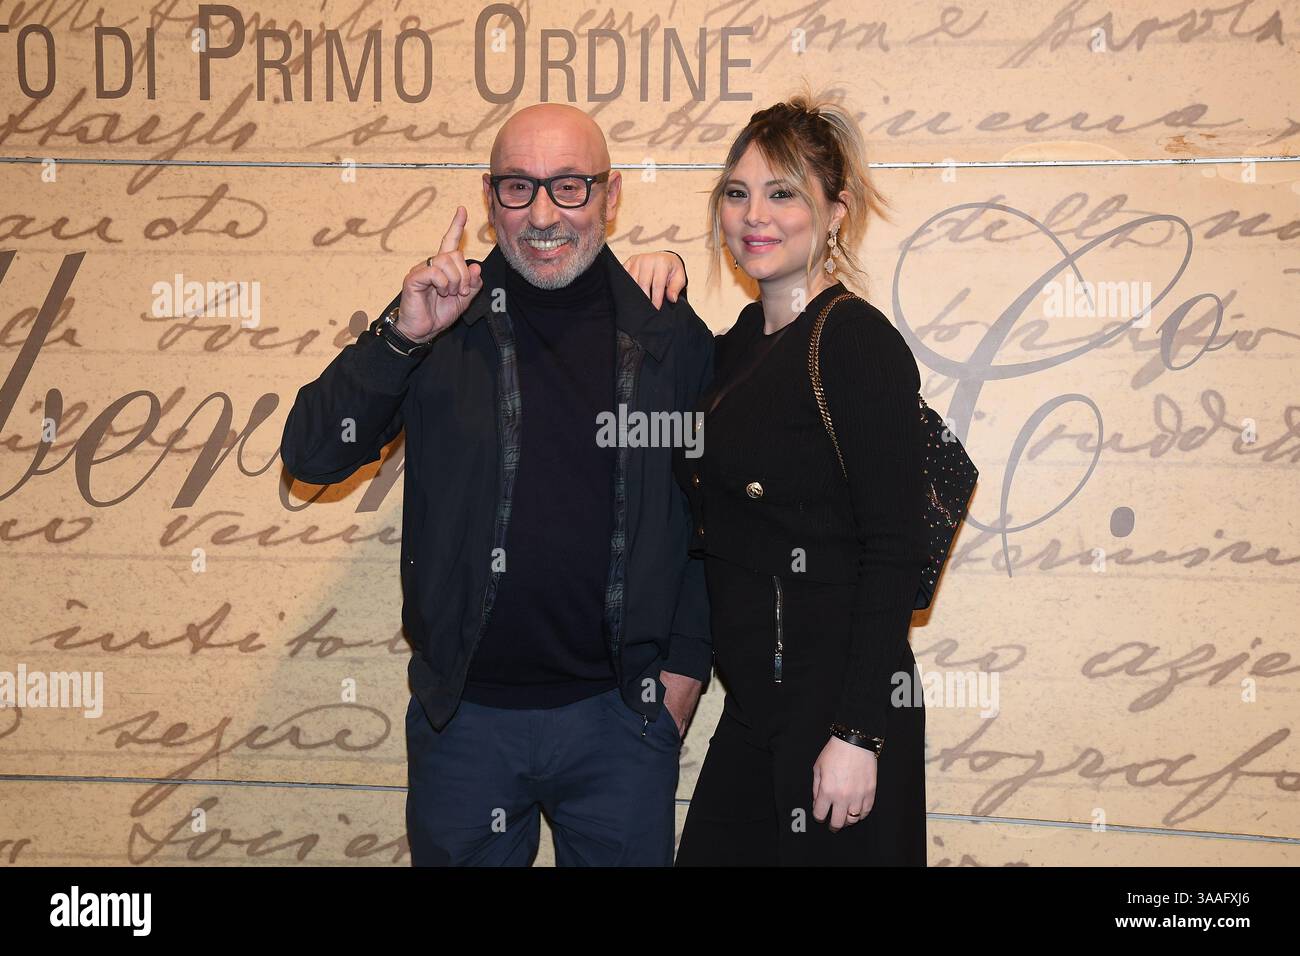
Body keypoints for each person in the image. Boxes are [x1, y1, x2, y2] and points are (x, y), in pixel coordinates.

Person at [280, 103, 714, 866]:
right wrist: (400, 338)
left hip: (620, 721)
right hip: (466, 725)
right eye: (519, 187)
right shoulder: (441, 317)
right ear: (490, 199)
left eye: (570, 187)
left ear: (611, 198)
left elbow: (712, 521)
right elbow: (313, 455)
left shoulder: (667, 333)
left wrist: (682, 671)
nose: (544, 213)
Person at [626, 91, 930, 865]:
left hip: (839, 709)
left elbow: (896, 547)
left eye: (782, 191)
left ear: (836, 211)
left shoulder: (855, 343)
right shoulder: (733, 350)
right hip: (755, 710)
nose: (753, 214)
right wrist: (659, 281)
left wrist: (861, 733)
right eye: (737, 192)